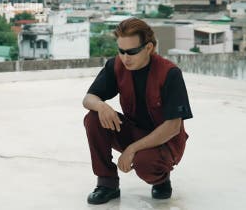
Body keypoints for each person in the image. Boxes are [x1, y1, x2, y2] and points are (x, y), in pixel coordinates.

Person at [82, 18, 192, 205]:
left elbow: (173, 127)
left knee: (144, 162)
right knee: (93, 118)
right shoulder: (116, 65)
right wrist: (102, 106)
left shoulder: (169, 73)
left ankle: (161, 179)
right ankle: (107, 183)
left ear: (149, 48)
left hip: (165, 142)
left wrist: (132, 149)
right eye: (121, 51)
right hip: (134, 131)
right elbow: (88, 99)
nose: (125, 57)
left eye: (132, 52)